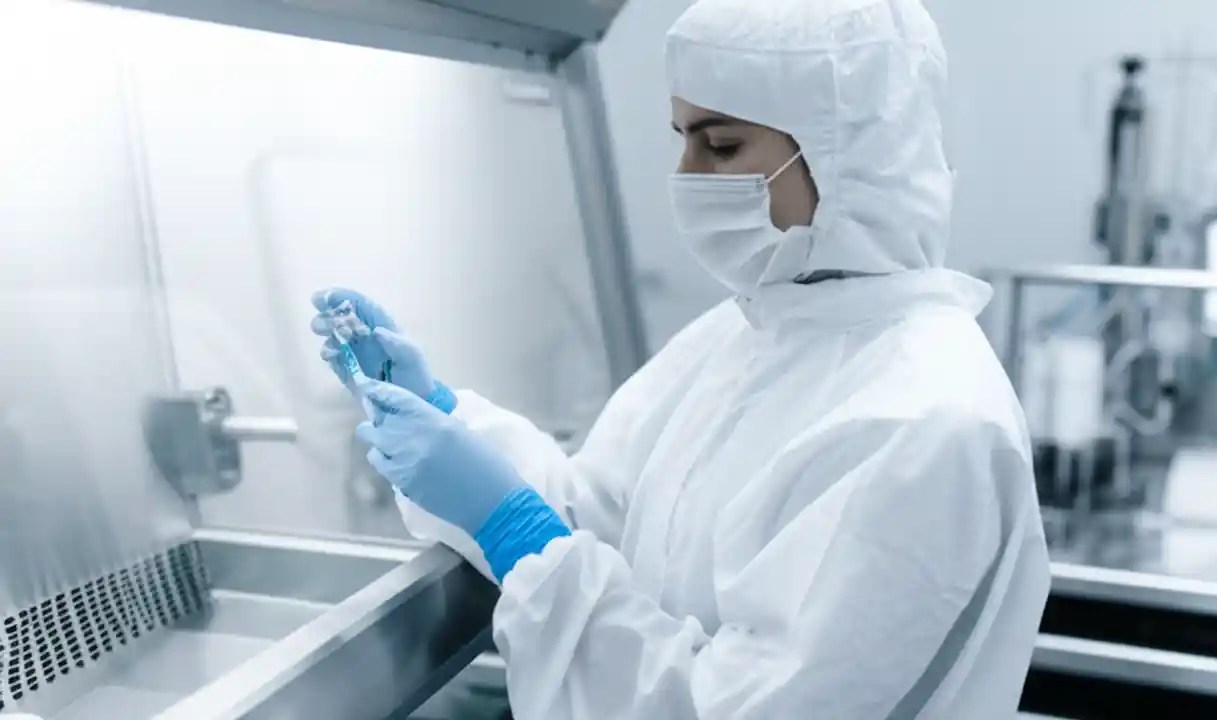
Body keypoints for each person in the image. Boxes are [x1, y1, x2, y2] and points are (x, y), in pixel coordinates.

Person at [310, 0, 1050, 716]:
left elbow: (727, 709)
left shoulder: (925, 420)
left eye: (721, 144)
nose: (687, 173)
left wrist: (508, 526)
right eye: (682, 138)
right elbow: (599, 521)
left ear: (851, 156)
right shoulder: (752, 330)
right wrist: (444, 416)